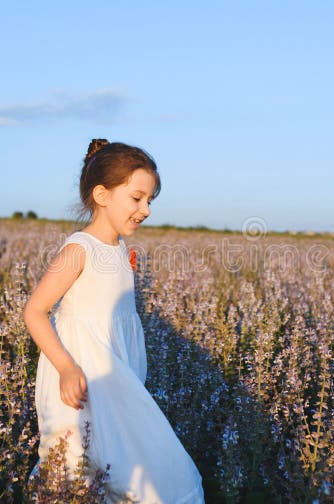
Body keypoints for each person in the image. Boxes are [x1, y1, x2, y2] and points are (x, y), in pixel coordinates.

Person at [23, 139, 205, 503]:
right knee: (73, 465)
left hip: (117, 378)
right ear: (102, 195)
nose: (146, 210)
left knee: (123, 467)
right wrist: (67, 368)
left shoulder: (118, 249)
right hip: (80, 380)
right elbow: (34, 311)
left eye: (150, 200)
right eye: (137, 198)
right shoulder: (79, 249)